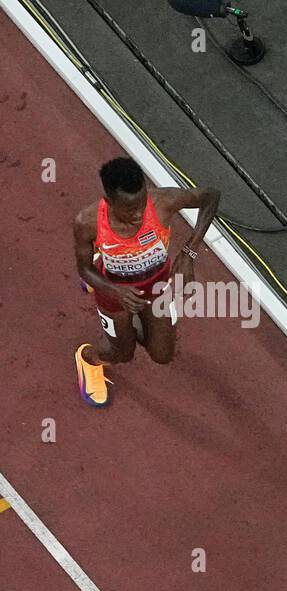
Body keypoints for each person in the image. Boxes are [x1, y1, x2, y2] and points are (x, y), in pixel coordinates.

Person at [73, 156, 220, 407]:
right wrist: (113, 290)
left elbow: (211, 197)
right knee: (122, 353)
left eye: (142, 203)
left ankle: (136, 317)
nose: (140, 213)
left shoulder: (162, 202)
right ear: (109, 202)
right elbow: (83, 269)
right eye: (130, 209)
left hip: (157, 287)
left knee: (163, 355)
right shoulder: (87, 223)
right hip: (114, 293)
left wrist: (189, 254)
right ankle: (87, 358)